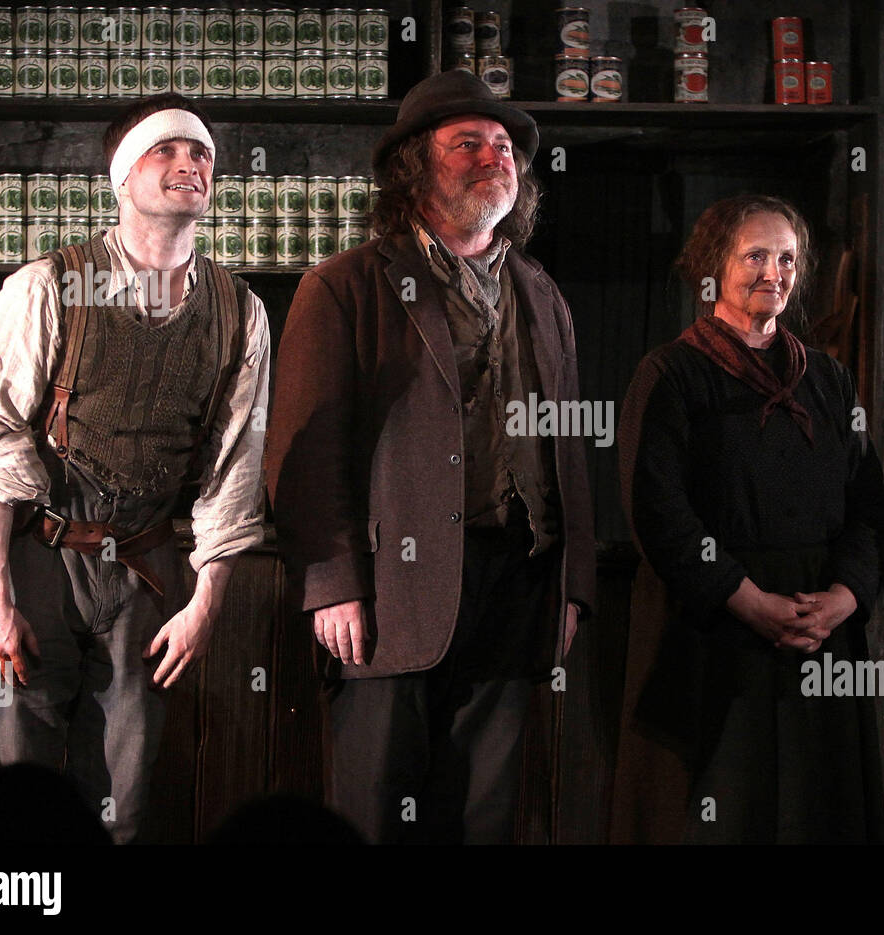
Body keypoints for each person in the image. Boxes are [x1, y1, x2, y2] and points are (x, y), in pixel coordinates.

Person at [263, 70, 597, 844]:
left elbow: (569, 444)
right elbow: (302, 456)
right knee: (377, 812)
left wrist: (573, 581)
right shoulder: (345, 286)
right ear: (415, 165)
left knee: (481, 815)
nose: (496, 157)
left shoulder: (539, 292)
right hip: (389, 593)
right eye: (469, 143)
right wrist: (333, 583)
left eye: (506, 146)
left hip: (516, 584)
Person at [0, 93, 271, 844]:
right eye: (167, 151)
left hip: (150, 564)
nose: (190, 163)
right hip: (44, 551)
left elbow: (236, 467)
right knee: (13, 770)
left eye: (202, 154)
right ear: (122, 176)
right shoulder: (49, 286)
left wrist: (206, 603)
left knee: (126, 786)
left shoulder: (237, 310)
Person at [612, 194, 884, 843]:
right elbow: (660, 513)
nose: (775, 271)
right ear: (713, 266)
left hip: (819, 635)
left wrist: (844, 598)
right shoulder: (672, 375)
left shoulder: (829, 380)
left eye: (788, 258)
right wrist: (748, 600)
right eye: (756, 255)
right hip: (715, 634)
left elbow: (869, 503)